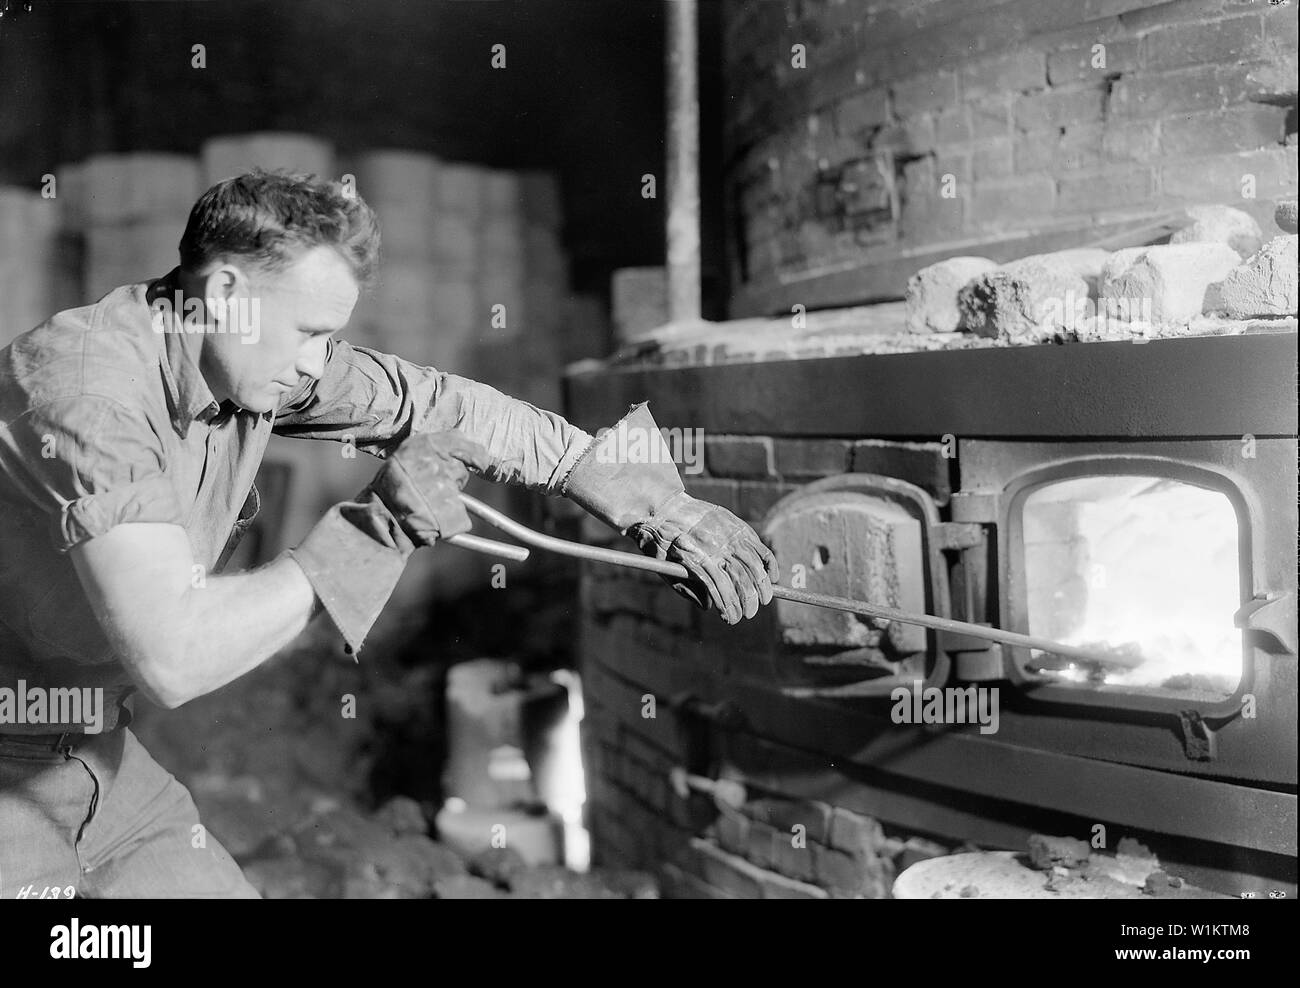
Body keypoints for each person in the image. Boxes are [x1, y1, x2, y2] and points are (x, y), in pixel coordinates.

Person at [0, 170, 778, 898]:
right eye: (307, 332)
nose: (315, 368)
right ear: (225, 289)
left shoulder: (239, 349)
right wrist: (372, 533)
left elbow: (439, 404)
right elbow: (174, 654)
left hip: (91, 749)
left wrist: (637, 493)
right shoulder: (88, 393)